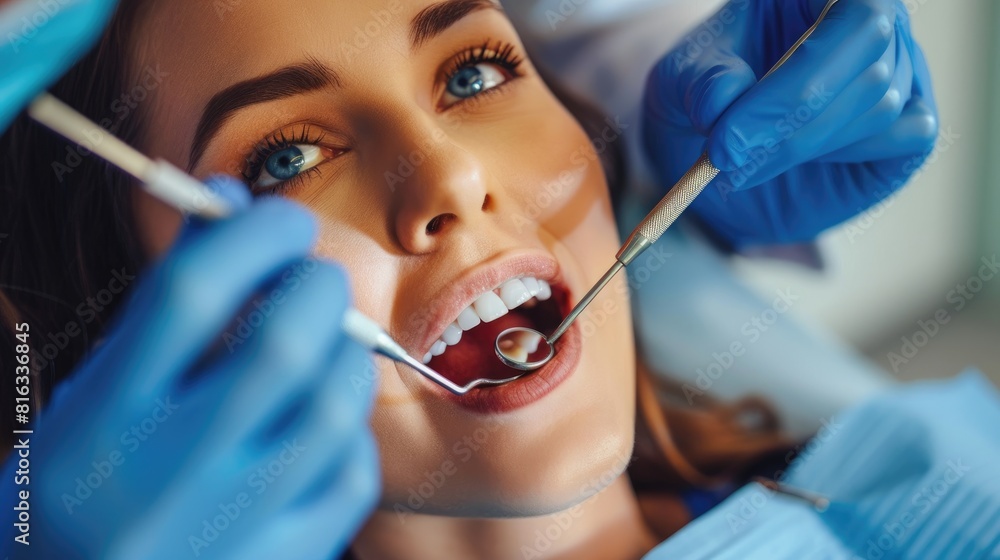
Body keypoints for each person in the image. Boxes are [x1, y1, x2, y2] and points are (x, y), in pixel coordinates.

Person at [2, 1, 979, 559]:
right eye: (289, 159)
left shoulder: (930, 470)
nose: (451, 175)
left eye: (471, 75)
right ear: (123, 330)